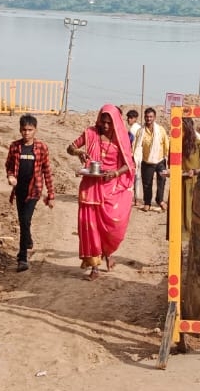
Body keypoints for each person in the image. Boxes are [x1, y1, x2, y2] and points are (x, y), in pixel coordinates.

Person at [67, 105, 135, 280]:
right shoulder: (90, 133)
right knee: (90, 227)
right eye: (102, 122)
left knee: (112, 227)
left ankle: (107, 253)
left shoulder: (121, 138)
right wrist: (78, 152)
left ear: (115, 123)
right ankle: (94, 266)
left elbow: (129, 164)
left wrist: (115, 173)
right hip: (90, 187)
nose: (105, 126)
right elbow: (70, 147)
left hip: (110, 188)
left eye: (109, 123)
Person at [5, 114, 55, 272]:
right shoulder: (15, 147)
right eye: (24, 130)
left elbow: (47, 171)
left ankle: (22, 258)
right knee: (23, 221)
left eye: (30, 130)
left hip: (34, 190)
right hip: (19, 190)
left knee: (25, 220)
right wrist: (10, 176)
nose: (26, 133)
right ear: (20, 130)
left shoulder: (41, 148)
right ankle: (27, 239)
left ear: (35, 130)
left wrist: (51, 195)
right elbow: (9, 165)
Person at [172, 118, 200, 235]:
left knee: (189, 216)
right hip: (177, 185)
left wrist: (195, 171)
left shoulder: (199, 145)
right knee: (176, 216)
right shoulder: (176, 145)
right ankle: (177, 250)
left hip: (192, 185)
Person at [138, 106, 170, 212]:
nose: (149, 119)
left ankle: (160, 200)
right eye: (147, 117)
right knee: (147, 183)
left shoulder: (160, 130)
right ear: (144, 118)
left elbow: (166, 144)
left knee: (162, 181)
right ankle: (147, 203)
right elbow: (136, 147)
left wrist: (167, 158)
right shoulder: (140, 131)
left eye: (151, 117)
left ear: (154, 117)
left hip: (160, 160)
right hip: (147, 161)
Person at [125, 109, 143, 205]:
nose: (128, 120)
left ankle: (133, 198)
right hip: (140, 155)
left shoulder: (132, 130)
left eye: (130, 118)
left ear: (135, 118)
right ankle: (137, 198)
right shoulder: (140, 128)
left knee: (133, 177)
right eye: (128, 118)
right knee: (138, 177)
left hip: (134, 155)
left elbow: (129, 143)